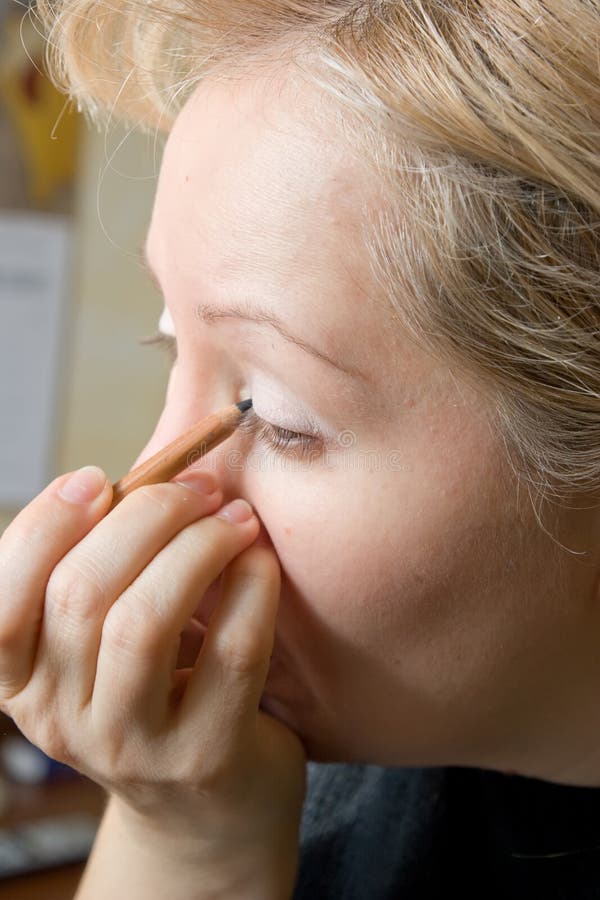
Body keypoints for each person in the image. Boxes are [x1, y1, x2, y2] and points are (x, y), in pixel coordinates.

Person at [1, 0, 599, 896]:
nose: (148, 490)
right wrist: (189, 832)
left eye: (277, 416)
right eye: (169, 343)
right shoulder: (297, 765)